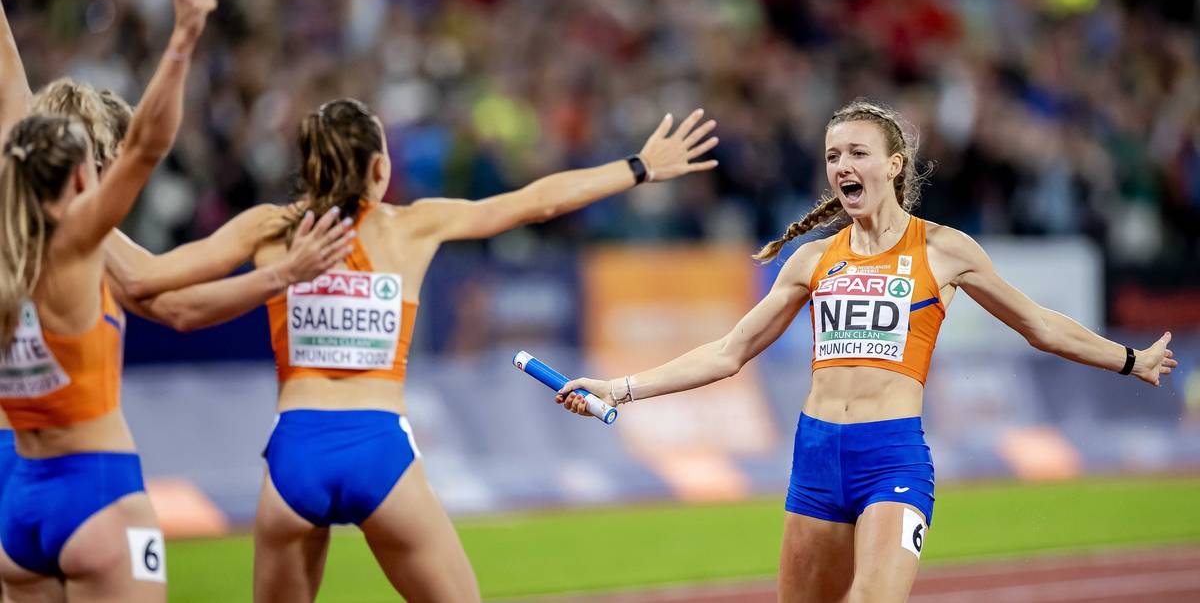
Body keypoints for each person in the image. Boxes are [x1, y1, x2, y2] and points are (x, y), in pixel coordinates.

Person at [554, 99, 1177, 603]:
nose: (841, 165)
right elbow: (729, 350)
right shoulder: (813, 260)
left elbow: (1038, 324)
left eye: (856, 152)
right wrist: (619, 387)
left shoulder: (944, 250)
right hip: (816, 457)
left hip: (892, 459)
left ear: (894, 165)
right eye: (832, 155)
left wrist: (1129, 359)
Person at [164, 96, 715, 601]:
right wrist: (638, 168)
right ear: (380, 169)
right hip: (377, 447)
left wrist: (85, 233)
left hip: (295, 451)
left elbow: (160, 285)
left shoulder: (269, 229)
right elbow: (534, 203)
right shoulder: (410, 225)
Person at [0, 0, 217, 599]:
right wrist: (182, 41)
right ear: (77, 178)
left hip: (17, 499)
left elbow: (11, 92)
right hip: (95, 488)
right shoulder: (78, 243)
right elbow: (149, 149)